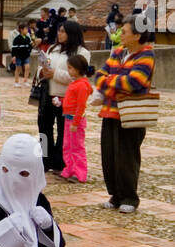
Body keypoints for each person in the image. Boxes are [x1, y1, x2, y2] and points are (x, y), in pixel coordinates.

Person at [94, 17, 155, 212]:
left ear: (137, 36)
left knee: (127, 157)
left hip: (130, 116)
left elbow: (133, 83)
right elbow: (98, 76)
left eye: (125, 32)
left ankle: (129, 197)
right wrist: (115, 82)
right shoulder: (118, 52)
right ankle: (115, 195)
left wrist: (110, 82)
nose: (121, 35)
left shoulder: (147, 56)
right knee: (109, 156)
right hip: (110, 113)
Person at [36, 20, 90, 173]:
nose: (59, 34)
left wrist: (55, 74)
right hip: (48, 94)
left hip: (67, 98)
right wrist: (41, 71)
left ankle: (60, 161)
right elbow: (42, 64)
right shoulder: (53, 48)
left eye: (63, 31)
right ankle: (45, 160)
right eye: (59, 31)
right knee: (44, 128)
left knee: (63, 131)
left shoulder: (82, 52)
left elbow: (78, 76)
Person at [60, 54, 93, 184]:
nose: (69, 71)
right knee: (67, 146)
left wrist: (76, 122)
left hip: (76, 121)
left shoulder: (82, 85)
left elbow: (81, 105)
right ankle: (69, 169)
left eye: (70, 68)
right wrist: (61, 102)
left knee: (77, 147)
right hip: (68, 119)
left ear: (78, 69)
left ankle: (80, 173)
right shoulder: (75, 83)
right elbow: (71, 101)